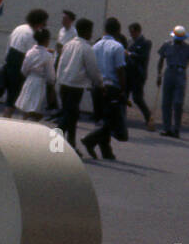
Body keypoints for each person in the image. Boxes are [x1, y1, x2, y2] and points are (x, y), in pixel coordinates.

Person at [81, 17, 127, 161]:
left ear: (104, 29)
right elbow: (120, 70)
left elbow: (90, 67)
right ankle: (89, 140)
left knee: (101, 119)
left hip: (97, 86)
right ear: (118, 31)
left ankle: (106, 151)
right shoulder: (117, 47)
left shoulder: (95, 46)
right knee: (111, 121)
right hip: (111, 86)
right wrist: (123, 89)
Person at [55, 17, 103, 152]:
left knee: (71, 115)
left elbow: (60, 63)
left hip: (63, 84)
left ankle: (71, 144)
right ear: (87, 31)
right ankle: (53, 144)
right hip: (75, 87)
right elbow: (93, 70)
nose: (92, 34)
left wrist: (58, 79)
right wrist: (99, 83)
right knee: (68, 116)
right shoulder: (87, 48)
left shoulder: (68, 45)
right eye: (91, 31)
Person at [1, 8, 48, 117]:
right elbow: (32, 54)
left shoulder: (19, 28)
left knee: (11, 98)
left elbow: (9, 45)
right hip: (20, 65)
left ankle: (6, 119)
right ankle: (21, 121)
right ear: (39, 22)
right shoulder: (31, 34)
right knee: (23, 98)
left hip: (9, 62)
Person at [14, 28, 56, 121]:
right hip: (40, 84)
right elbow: (50, 76)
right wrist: (52, 83)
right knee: (37, 111)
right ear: (46, 40)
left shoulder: (30, 52)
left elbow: (24, 70)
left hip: (29, 81)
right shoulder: (48, 56)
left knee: (26, 109)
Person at [157, 25, 189, 139]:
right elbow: (161, 60)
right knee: (166, 102)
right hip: (169, 72)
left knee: (178, 103)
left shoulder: (187, 48)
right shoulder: (167, 45)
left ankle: (176, 129)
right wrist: (159, 75)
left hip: (180, 73)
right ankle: (167, 128)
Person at [126, 22, 153, 127]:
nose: (132, 34)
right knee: (124, 96)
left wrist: (129, 54)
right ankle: (121, 118)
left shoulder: (145, 43)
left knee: (137, 98)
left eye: (133, 32)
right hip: (128, 73)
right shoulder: (129, 42)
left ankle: (148, 116)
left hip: (138, 74)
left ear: (138, 31)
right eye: (130, 32)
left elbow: (142, 57)